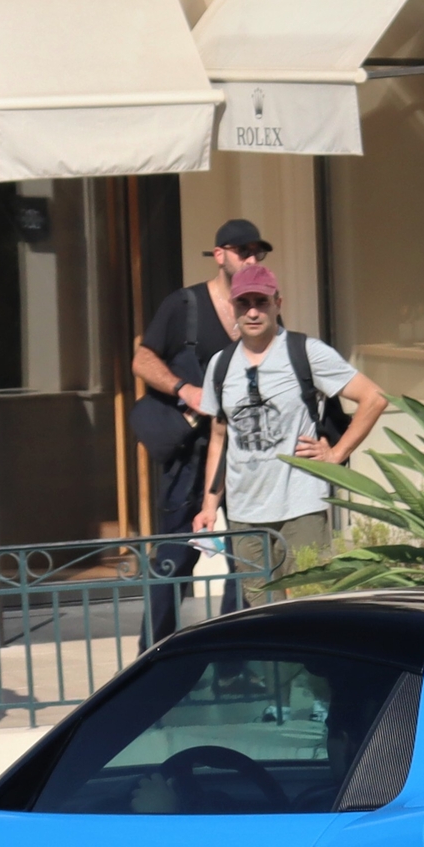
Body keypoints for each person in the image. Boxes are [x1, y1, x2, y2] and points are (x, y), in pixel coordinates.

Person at [194, 263, 388, 588]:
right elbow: (218, 439)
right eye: (244, 303)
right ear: (232, 307)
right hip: (244, 514)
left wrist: (336, 454)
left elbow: (374, 398)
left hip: (301, 508)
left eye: (261, 302)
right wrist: (209, 505)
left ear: (278, 304)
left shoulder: (306, 352)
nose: (252, 312)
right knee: (260, 608)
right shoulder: (220, 364)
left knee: (306, 602)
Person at [127, 218, 268, 646]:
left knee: (246, 558)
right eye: (243, 250)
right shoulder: (184, 305)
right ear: (219, 255)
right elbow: (142, 360)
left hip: (243, 451)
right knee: (175, 558)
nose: (251, 258)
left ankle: (231, 655)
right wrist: (183, 389)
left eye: (258, 251)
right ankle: (154, 652)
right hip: (190, 453)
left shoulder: (258, 308)